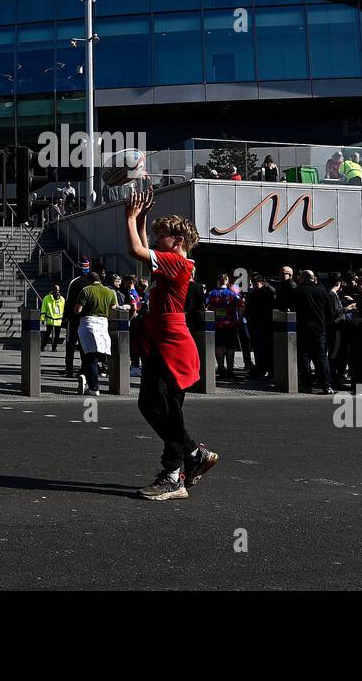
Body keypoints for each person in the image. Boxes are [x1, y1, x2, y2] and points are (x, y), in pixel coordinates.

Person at [124, 189, 218, 500]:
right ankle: (181, 466)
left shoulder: (177, 263)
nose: (155, 240)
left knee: (159, 406)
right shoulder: (172, 263)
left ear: (177, 242)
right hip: (164, 342)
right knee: (163, 408)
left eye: (161, 236)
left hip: (173, 344)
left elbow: (137, 251)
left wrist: (129, 217)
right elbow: (145, 247)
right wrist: (142, 218)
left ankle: (183, 464)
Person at [73, 271, 118, 396]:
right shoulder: (110, 292)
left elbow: (78, 309)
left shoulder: (86, 290)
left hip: (88, 324)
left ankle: (94, 387)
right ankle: (87, 377)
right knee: (98, 355)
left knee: (89, 357)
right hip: (103, 325)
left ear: (89, 280)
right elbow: (113, 307)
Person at [206, 275, 242, 379]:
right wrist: (239, 319)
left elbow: (205, 305)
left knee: (219, 346)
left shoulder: (211, 293)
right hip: (230, 324)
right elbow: (242, 304)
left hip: (216, 324)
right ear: (227, 282)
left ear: (218, 282)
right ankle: (230, 370)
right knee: (230, 347)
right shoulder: (232, 293)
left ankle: (221, 368)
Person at [243, 274, 277, 382]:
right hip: (263, 324)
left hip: (260, 324)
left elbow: (250, 308)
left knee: (261, 349)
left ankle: (263, 369)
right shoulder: (269, 291)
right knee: (263, 349)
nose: (254, 286)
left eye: (256, 284)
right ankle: (266, 369)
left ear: (262, 283)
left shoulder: (262, 292)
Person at [64, 257, 93, 377]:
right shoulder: (92, 283)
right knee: (84, 344)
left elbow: (68, 301)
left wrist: (65, 317)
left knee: (71, 343)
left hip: (75, 317)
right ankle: (84, 368)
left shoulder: (74, 282)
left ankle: (69, 369)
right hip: (88, 318)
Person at [40, 282, 65, 351]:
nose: (57, 292)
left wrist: (64, 318)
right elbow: (43, 308)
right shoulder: (47, 298)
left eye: (58, 290)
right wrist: (42, 318)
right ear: (52, 290)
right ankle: (42, 347)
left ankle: (54, 348)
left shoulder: (62, 299)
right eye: (56, 290)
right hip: (50, 319)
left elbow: (63, 309)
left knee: (57, 335)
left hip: (58, 320)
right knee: (47, 334)